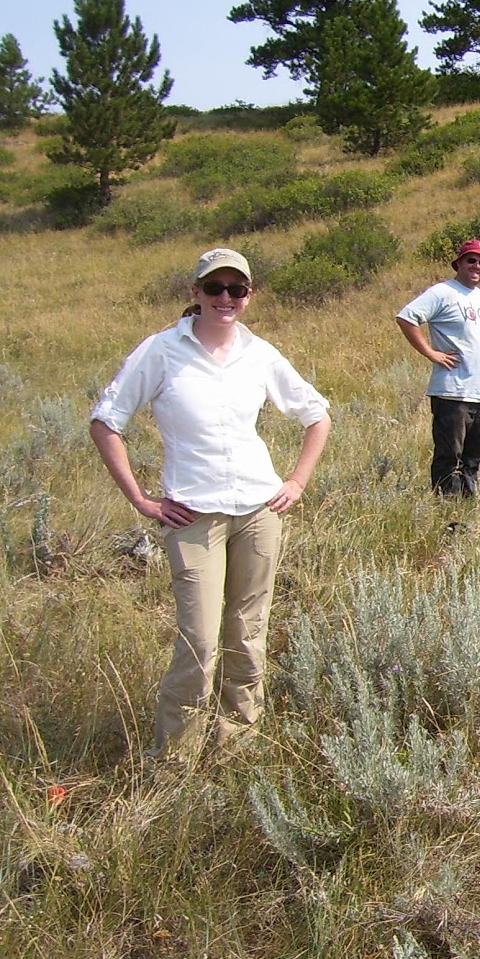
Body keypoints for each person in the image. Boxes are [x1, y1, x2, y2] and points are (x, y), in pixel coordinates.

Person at [90, 247, 331, 762]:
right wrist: (140, 498)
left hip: (259, 510)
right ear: (195, 293)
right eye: (215, 288)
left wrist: (297, 481)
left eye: (237, 289)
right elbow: (106, 420)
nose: (226, 298)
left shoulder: (259, 353)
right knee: (199, 642)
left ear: (248, 296)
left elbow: (317, 415)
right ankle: (175, 761)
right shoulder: (160, 351)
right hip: (193, 515)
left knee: (248, 633)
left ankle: (235, 748)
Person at [395, 239, 480, 497]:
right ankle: (445, 511)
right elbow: (407, 317)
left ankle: (467, 505)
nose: (477, 266)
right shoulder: (442, 292)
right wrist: (431, 353)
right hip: (452, 392)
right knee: (449, 456)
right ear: (459, 263)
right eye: (471, 260)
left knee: (474, 457)